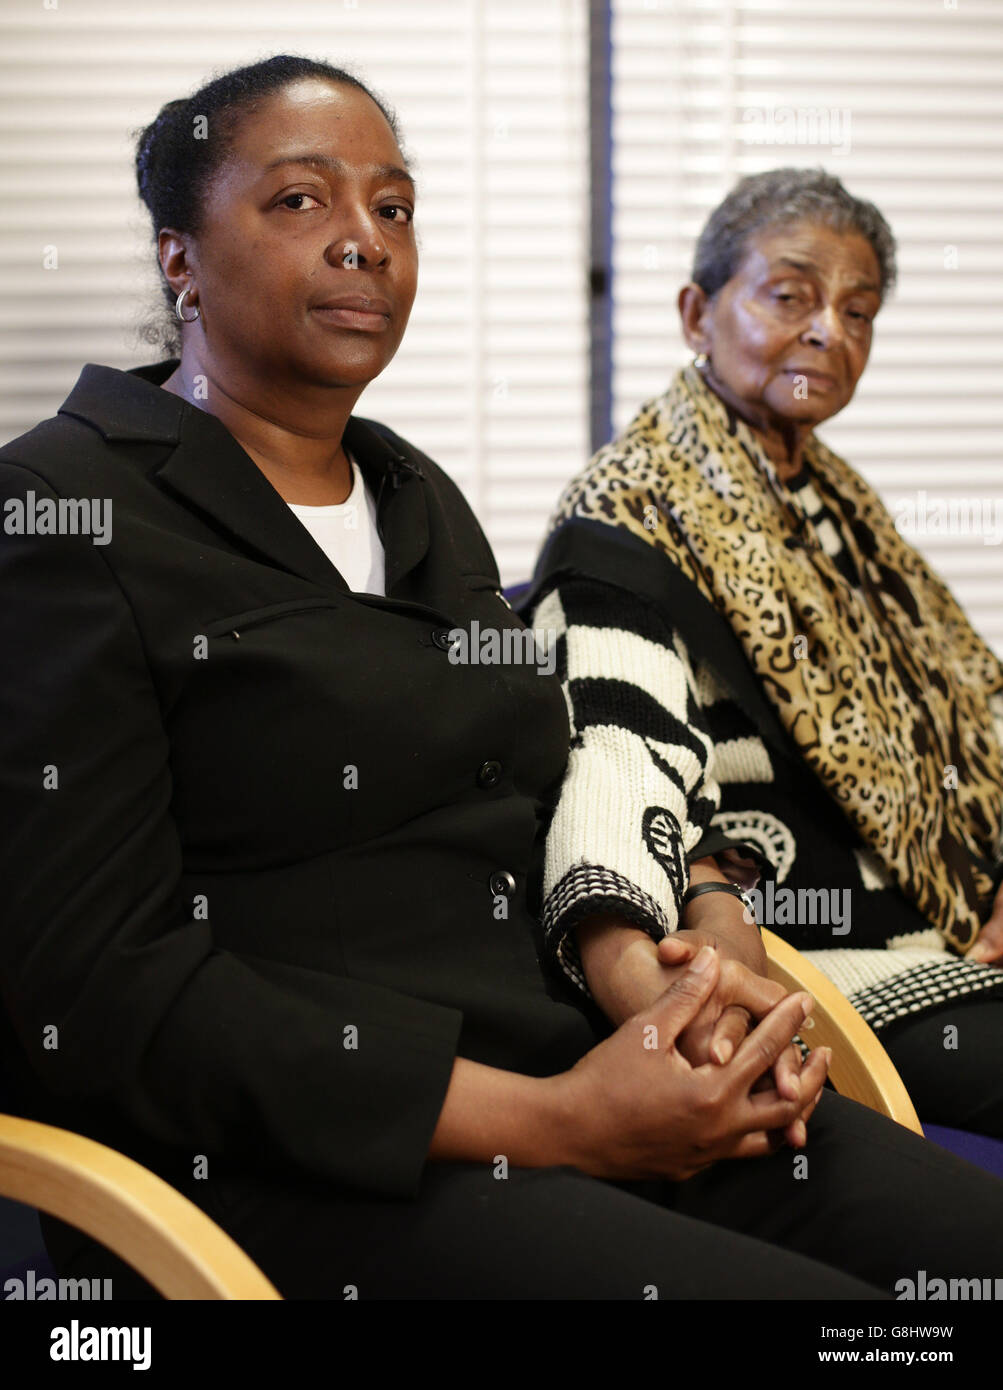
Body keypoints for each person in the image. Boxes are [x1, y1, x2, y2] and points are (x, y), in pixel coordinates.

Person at [1, 60, 1001, 1303]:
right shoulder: (61, 511)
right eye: (301, 203)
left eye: (395, 207)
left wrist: (700, 937)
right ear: (178, 259)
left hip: (568, 1055)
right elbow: (93, 986)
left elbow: (553, 766)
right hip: (299, 1155)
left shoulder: (417, 498)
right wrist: (559, 1121)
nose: (364, 242)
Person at [524, 168, 1003, 1141]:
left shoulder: (841, 510)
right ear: (698, 312)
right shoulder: (628, 522)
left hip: (961, 936)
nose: (831, 330)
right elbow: (617, 778)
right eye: (790, 295)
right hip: (823, 962)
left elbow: (969, 724)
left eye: (858, 310)